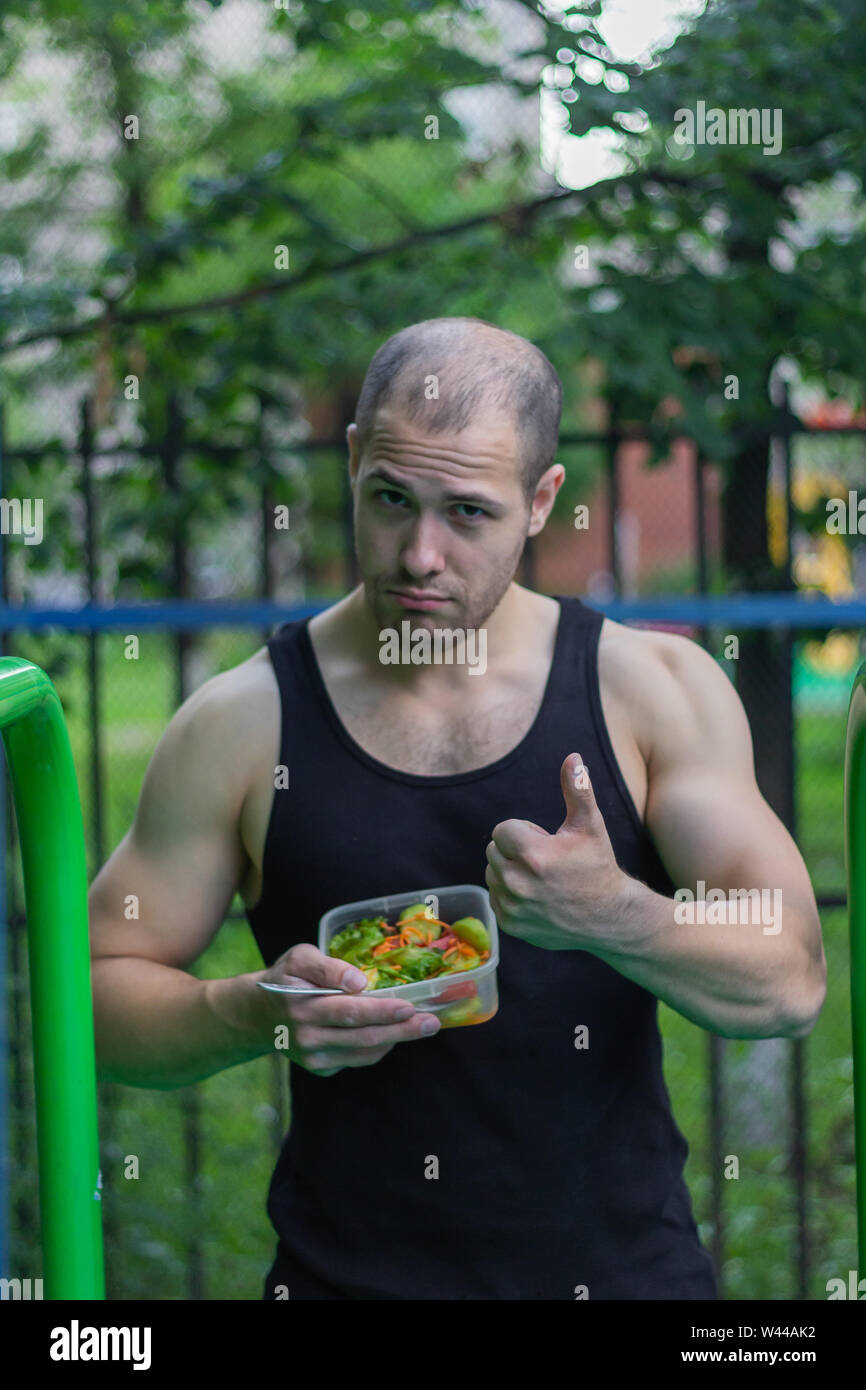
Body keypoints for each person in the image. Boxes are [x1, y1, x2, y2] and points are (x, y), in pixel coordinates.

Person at [89, 316, 826, 1300]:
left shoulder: (649, 690)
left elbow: (787, 978)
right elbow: (93, 991)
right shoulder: (240, 723)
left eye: (467, 513)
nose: (420, 555)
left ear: (539, 500)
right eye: (390, 499)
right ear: (352, 460)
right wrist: (246, 1012)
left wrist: (615, 915)